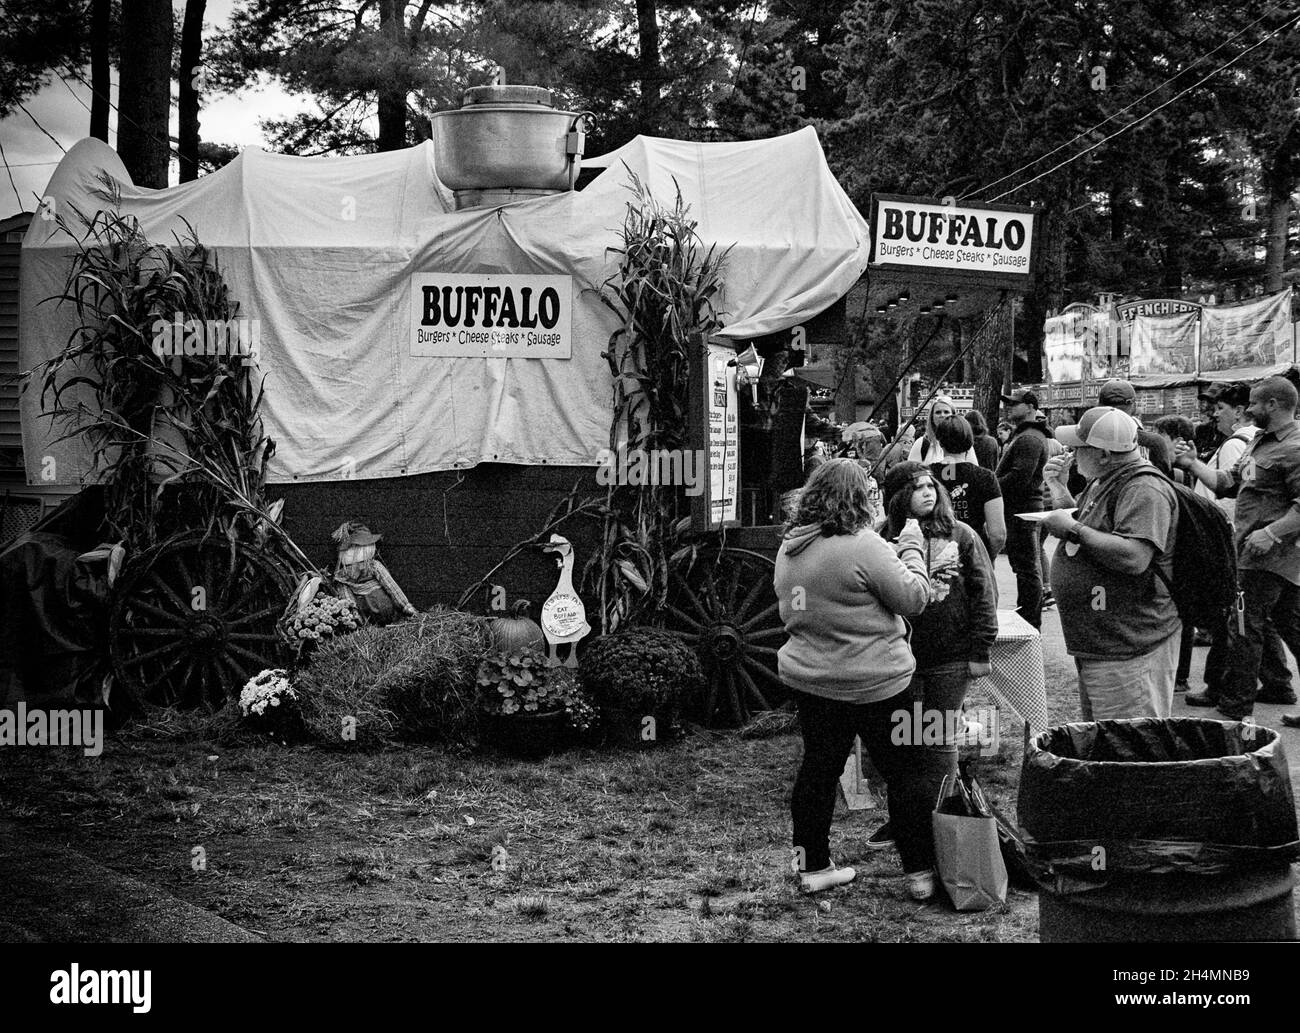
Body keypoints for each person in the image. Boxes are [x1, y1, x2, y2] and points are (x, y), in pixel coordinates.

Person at [774, 459, 937, 898]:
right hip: (879, 683)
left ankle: (812, 866)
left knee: (818, 771)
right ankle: (920, 872)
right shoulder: (865, 544)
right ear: (860, 498)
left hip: (814, 681)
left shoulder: (791, 545)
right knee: (906, 773)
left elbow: (794, 609)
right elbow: (915, 599)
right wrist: (912, 550)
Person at [869, 464, 998, 854]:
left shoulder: (962, 536)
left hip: (950, 657)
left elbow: (984, 594)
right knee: (906, 741)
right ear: (897, 496)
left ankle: (946, 822)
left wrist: (981, 650)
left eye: (931, 486)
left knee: (940, 740)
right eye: (915, 487)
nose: (927, 493)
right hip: (900, 659)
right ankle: (908, 819)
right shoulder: (880, 538)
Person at [1041, 407, 1181, 719]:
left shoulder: (1143, 487)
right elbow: (1085, 522)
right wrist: (1059, 487)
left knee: (1131, 748)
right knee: (1105, 743)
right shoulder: (1105, 478)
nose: (1072, 453)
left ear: (1104, 454)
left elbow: (1134, 557)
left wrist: (1073, 530)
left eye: (1079, 447)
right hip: (1104, 643)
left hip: (1129, 647)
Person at [1173, 377, 1300, 720]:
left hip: (1267, 556)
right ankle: (1265, 691)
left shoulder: (1295, 446)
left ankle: (1235, 706)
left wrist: (1272, 533)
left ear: (1273, 404)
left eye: (1255, 404)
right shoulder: (1259, 441)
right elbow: (1227, 483)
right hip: (1255, 552)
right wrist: (1191, 463)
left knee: (1243, 627)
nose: (1250, 410)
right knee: (1290, 627)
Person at [996, 388, 1052, 629]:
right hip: (1024, 509)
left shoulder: (1029, 438)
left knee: (1027, 569)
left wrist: (991, 487)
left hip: (1022, 510)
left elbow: (1020, 477)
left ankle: (1030, 621)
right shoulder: (1028, 435)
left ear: (1030, 406)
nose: (1009, 407)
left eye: (1015, 404)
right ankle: (1028, 617)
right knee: (1026, 567)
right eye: (1008, 403)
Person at [926, 413, 1006, 559]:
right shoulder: (986, 478)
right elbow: (998, 534)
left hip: (934, 554)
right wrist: (987, 557)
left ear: (940, 441)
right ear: (970, 441)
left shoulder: (926, 475)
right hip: (973, 554)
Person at [1095, 379, 1174, 475]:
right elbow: (1165, 482)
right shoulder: (1154, 442)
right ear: (1134, 406)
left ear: (1099, 406)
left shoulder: (1088, 440)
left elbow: (1075, 486)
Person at [908, 395, 977, 465]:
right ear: (932, 417)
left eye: (946, 412)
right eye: (938, 412)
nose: (942, 415)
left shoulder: (963, 441)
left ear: (953, 415)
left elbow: (973, 471)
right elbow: (911, 472)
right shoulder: (922, 444)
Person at [1194, 384, 1229, 461]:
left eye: (1213, 401)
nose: (1208, 405)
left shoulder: (1229, 430)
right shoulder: (1202, 429)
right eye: (1208, 401)